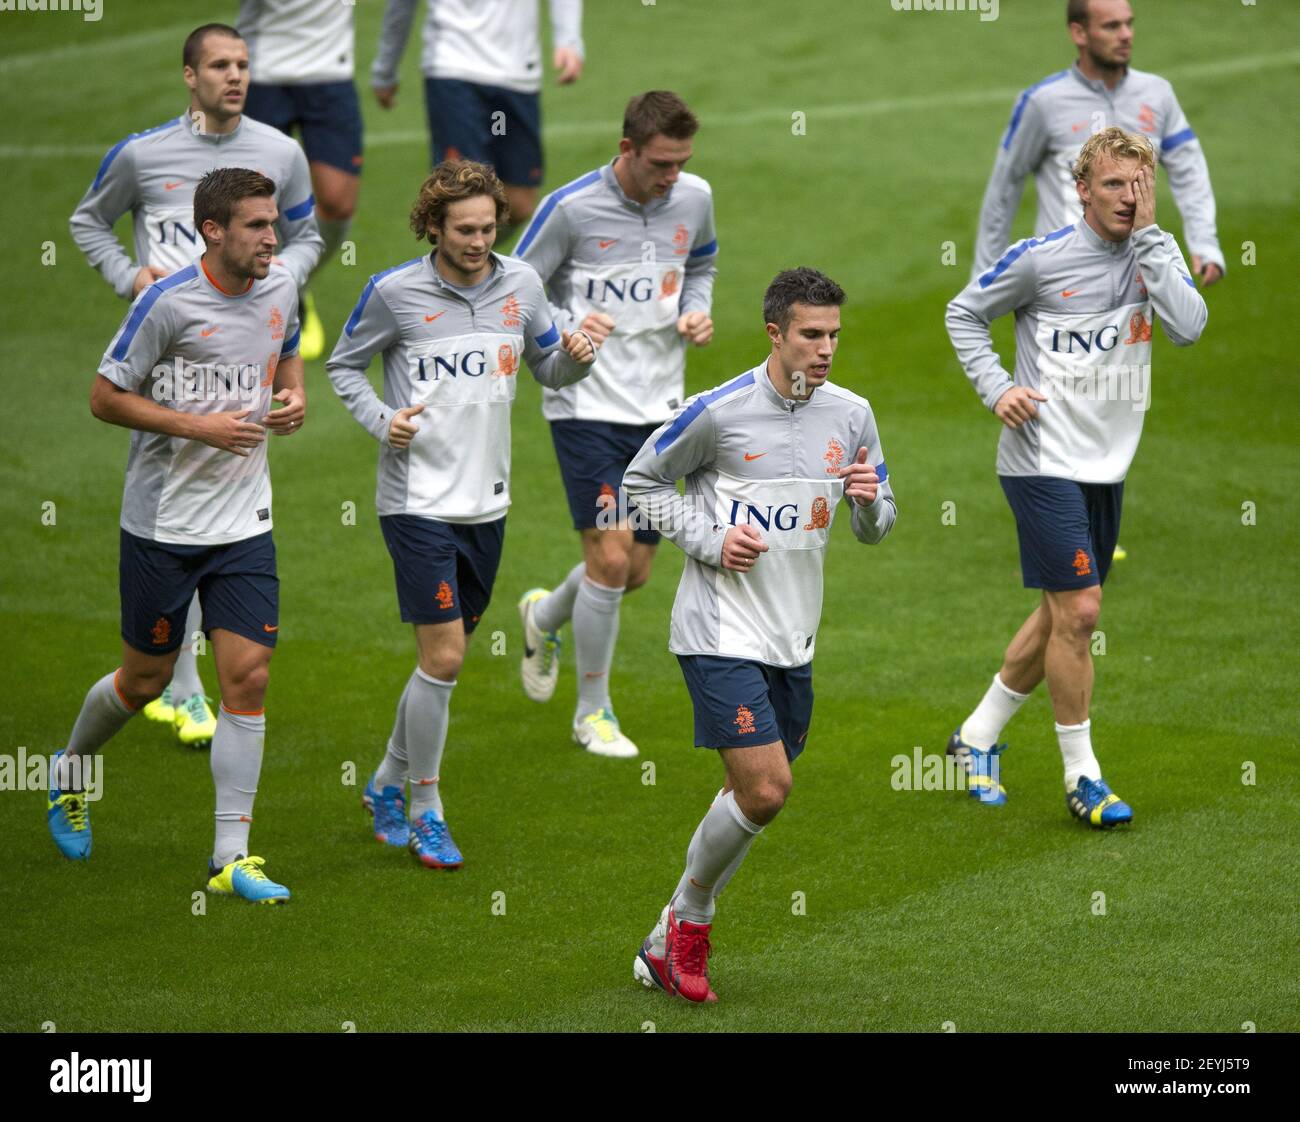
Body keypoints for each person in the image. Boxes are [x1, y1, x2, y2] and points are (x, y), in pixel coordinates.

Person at [622, 267, 896, 1003]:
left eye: (834, 334)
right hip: (718, 630)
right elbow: (639, 483)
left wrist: (868, 505)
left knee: (747, 797)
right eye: (811, 334)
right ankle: (693, 925)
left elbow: (877, 523)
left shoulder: (853, 415)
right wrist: (711, 539)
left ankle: (662, 937)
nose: (826, 348)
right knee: (768, 788)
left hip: (793, 639)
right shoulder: (718, 412)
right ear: (774, 332)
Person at [325, 160, 596, 869]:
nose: (478, 242)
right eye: (464, 230)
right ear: (433, 226)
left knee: (440, 667)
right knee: (443, 657)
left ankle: (384, 782)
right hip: (416, 502)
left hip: (488, 503)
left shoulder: (523, 285)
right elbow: (342, 366)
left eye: (488, 228)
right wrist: (385, 421)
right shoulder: (395, 293)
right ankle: (426, 808)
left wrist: (579, 356)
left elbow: (548, 368)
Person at [48, 167, 306, 906]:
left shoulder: (281, 285)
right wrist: (200, 426)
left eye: (274, 223)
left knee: (248, 677)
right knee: (145, 680)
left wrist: (293, 396)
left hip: (244, 522)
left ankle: (231, 857)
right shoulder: (165, 304)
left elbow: (285, 348)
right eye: (257, 225)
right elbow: (104, 397)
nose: (272, 236)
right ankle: (69, 771)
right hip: (162, 525)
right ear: (214, 230)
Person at [68, 22, 322, 747]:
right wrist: (130, 276)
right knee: (177, 479)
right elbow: (89, 221)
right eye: (219, 64)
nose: (235, 76)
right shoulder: (145, 155)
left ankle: (228, 837)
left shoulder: (280, 152)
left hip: (246, 322)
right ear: (190, 75)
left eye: (244, 64)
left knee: (251, 669)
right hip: (166, 336)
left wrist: (281, 290)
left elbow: (309, 236)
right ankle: (162, 691)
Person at [945, 127, 1206, 824]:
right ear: (1082, 190)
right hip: (1041, 458)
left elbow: (1189, 327)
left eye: (1139, 183)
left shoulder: (1155, 254)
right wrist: (997, 386)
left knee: (1062, 611)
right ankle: (1081, 777)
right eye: (1115, 184)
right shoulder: (1041, 260)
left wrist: (1153, 241)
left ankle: (974, 738)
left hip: (1107, 465)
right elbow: (964, 312)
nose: (1129, 196)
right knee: (1083, 611)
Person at [971, 0, 1222, 564]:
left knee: (1110, 396)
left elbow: (1189, 164)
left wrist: (1203, 241)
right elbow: (1004, 185)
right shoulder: (1044, 103)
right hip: (1057, 284)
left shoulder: (1156, 95)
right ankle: (1065, 533)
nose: (1126, 34)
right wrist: (985, 274)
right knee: (1080, 601)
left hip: (1128, 273)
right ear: (1077, 33)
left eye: (1130, 23)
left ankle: (1073, 546)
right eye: (1112, 25)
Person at [513, 90, 718, 759]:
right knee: (607, 556)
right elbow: (516, 284)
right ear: (627, 149)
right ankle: (592, 714)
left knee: (631, 571)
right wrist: (567, 327)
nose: (673, 177)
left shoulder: (694, 198)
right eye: (661, 163)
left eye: (682, 162)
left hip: (661, 406)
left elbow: (703, 261)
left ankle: (543, 616)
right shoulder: (571, 209)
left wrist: (695, 308)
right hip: (587, 403)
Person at [371, 0, 584, 233]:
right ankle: (460, 263)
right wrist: (385, 68)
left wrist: (568, 40)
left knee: (519, 203)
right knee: (462, 195)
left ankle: (468, 257)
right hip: (453, 66)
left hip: (515, 72)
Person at [239, 0, 367, 360]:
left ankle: (294, 281)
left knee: (338, 202)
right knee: (255, 200)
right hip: (263, 72)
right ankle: (249, 299)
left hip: (330, 74)